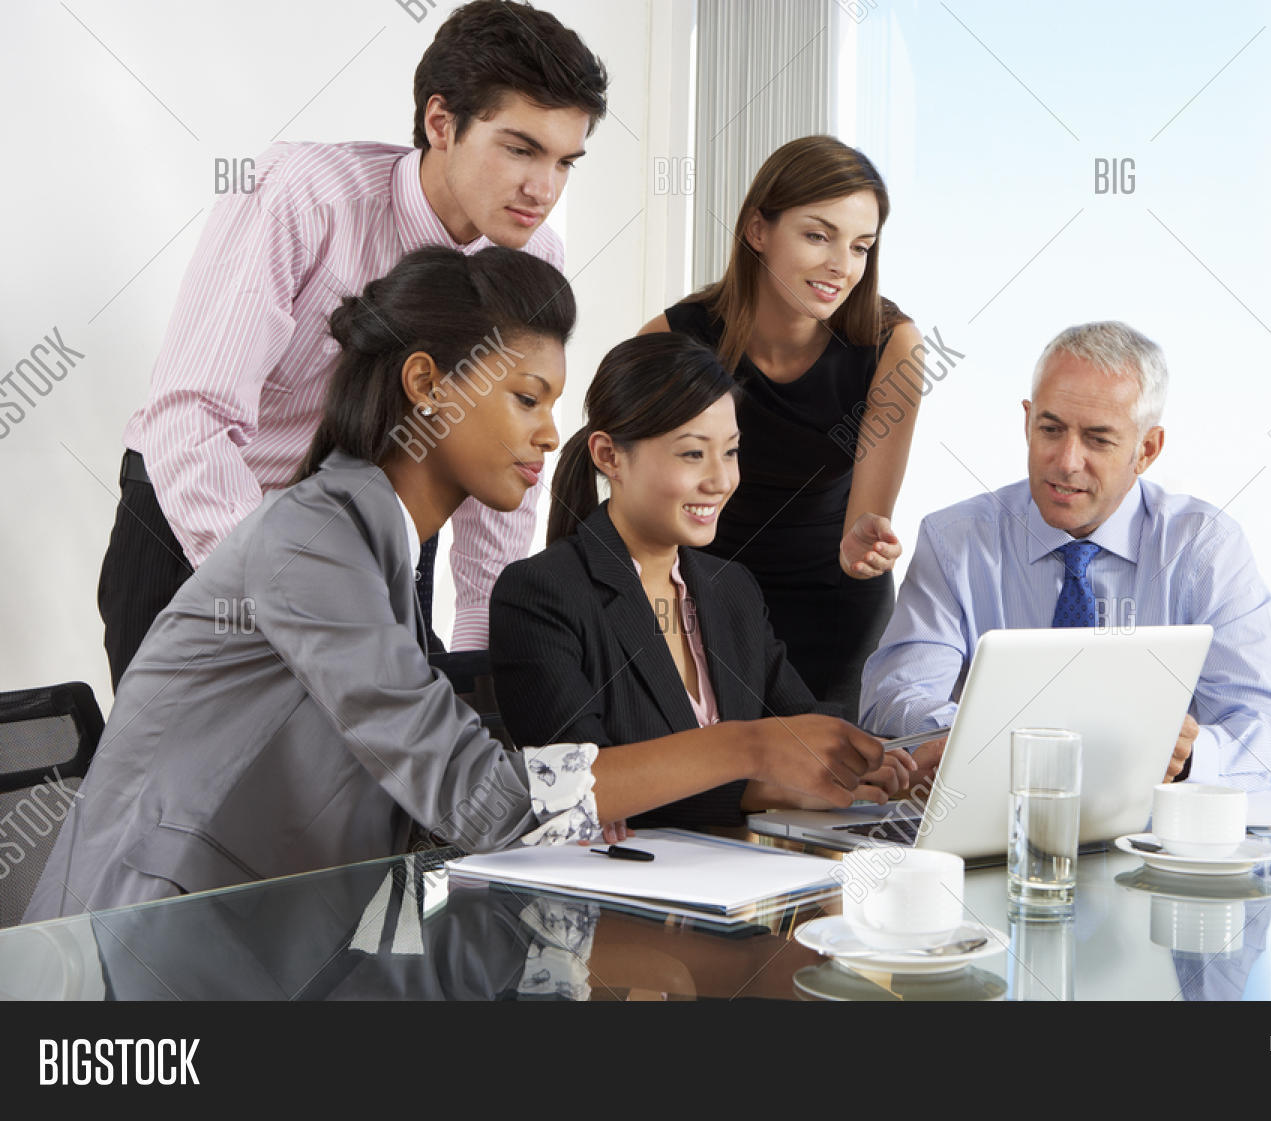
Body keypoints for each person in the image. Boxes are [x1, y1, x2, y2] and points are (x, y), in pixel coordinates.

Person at [23, 247, 887, 923]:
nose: (552, 433)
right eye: (526, 397)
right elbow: (477, 798)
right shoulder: (321, 536)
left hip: (259, 936)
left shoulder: (375, 544)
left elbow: (424, 810)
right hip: (135, 955)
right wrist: (747, 747)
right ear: (428, 386)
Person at [98, 0, 605, 687]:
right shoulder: (303, 197)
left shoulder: (535, 259)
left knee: (388, 780)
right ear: (441, 122)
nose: (542, 189)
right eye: (520, 149)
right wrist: (292, 595)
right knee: (188, 785)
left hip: (372, 532)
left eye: (564, 162)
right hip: (204, 514)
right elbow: (192, 417)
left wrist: (487, 665)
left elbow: (499, 460)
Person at [489, 333, 918, 831]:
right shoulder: (540, 595)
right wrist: (761, 787)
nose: (720, 480)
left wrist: (890, 765)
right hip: (617, 891)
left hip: (744, 880)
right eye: (693, 454)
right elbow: (582, 791)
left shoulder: (731, 588)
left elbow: (805, 729)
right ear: (609, 456)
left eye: (731, 452)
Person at [859, 321, 1271, 792]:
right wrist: (1014, 743)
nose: (1067, 461)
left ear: (1146, 450)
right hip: (1000, 828)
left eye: (1098, 439)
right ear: (1027, 422)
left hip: (1153, 839)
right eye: (1051, 429)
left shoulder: (1204, 548)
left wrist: (1191, 756)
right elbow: (891, 698)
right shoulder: (955, 541)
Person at [639, 135, 927, 720]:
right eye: (818, 236)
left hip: (837, 607)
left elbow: (866, 517)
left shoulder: (892, 346)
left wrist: (866, 542)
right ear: (757, 231)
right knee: (714, 786)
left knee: (834, 787)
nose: (841, 266)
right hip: (705, 599)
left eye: (861, 246)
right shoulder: (672, 340)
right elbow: (641, 505)